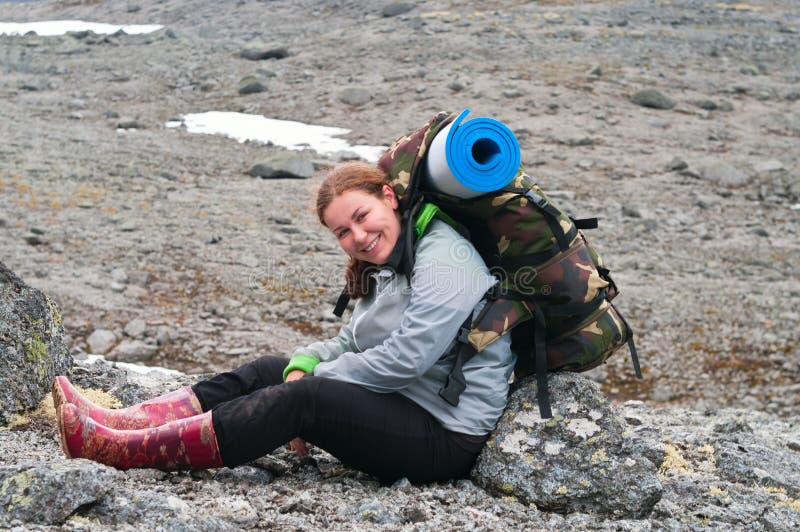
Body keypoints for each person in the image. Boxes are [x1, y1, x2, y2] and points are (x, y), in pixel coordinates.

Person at [54, 161, 516, 483]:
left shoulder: (445, 259)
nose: (359, 236)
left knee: (303, 397)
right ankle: (126, 422)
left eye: (362, 217)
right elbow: (354, 341)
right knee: (270, 370)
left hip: (444, 436)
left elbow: (405, 360)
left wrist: (312, 377)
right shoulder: (399, 254)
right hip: (403, 404)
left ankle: (127, 450)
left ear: (389, 197)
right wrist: (306, 362)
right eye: (343, 231)